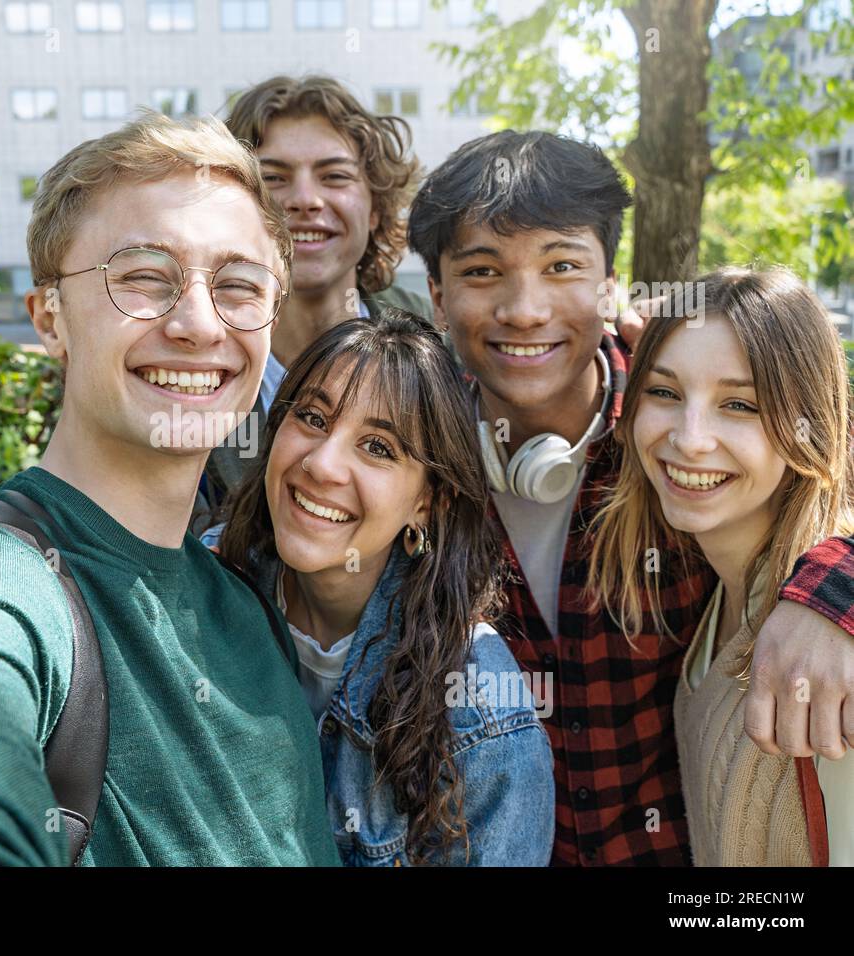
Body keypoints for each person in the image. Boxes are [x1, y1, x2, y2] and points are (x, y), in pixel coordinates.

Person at [0, 114, 342, 867]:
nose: (199, 323)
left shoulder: (250, 603)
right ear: (51, 318)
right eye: (145, 277)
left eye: (241, 287)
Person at [409, 129, 854, 865]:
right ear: (438, 294)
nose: (525, 309)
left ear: (610, 286)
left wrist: (833, 596)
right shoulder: (414, 457)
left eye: (562, 266)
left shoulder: (676, 442)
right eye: (484, 271)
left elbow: (816, 479)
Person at [211, 310, 554, 865]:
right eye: (314, 418)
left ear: (428, 501)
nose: (322, 465)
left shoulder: (483, 720)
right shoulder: (199, 590)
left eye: (377, 448)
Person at [589, 267, 853, 865]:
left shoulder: (830, 659)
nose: (691, 438)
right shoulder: (719, 596)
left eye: (739, 403)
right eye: (664, 392)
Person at [195, 76, 432, 523]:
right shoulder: (191, 351)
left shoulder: (438, 339)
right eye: (273, 178)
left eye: (335, 176)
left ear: (376, 207)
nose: (305, 200)